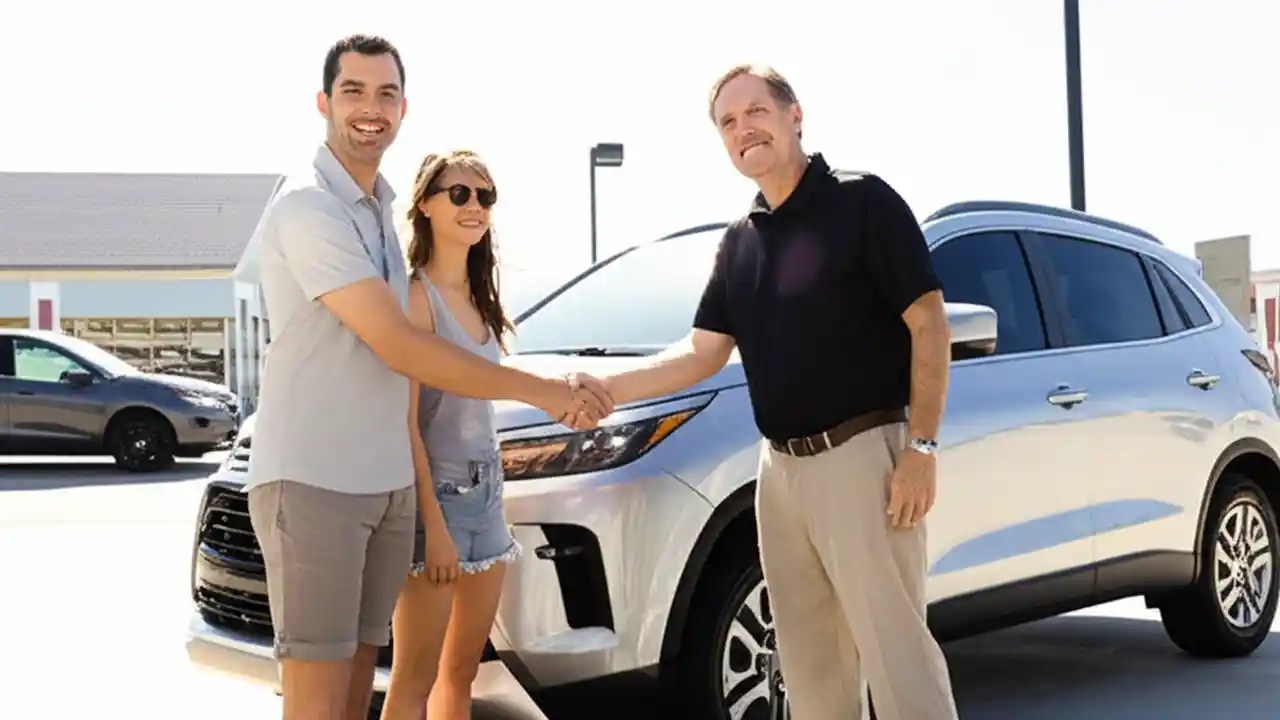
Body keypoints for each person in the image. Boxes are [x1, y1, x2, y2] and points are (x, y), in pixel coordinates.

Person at [238, 35, 611, 720]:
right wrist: (547, 395)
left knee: (355, 697)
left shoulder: (375, 213)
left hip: (380, 489)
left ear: (403, 108)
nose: (370, 108)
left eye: (385, 94)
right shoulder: (307, 209)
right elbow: (398, 345)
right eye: (353, 91)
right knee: (319, 705)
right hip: (315, 482)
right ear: (324, 103)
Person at [594, 65, 959, 720]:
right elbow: (701, 353)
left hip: (863, 458)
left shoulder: (863, 201)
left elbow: (928, 321)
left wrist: (922, 447)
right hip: (779, 474)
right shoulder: (740, 242)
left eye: (755, 111)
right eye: (728, 123)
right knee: (808, 664)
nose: (743, 130)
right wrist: (602, 387)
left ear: (795, 115)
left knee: (897, 658)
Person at [379, 150, 522, 720]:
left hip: (489, 502)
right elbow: (405, 421)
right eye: (459, 194)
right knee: (412, 679)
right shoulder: (417, 300)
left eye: (484, 196)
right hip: (434, 503)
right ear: (425, 205)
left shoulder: (483, 299)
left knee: (461, 673)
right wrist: (433, 527)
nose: (474, 207)